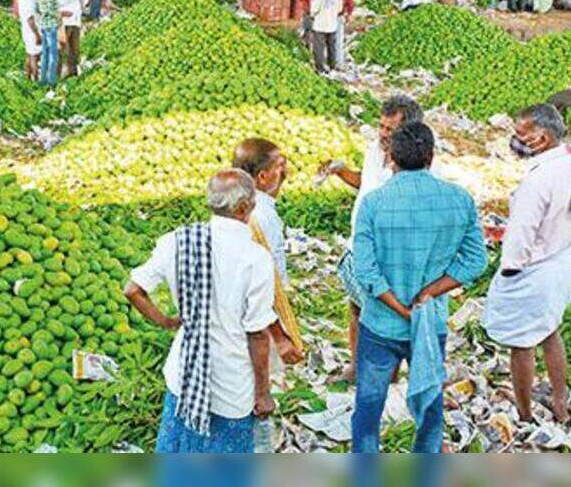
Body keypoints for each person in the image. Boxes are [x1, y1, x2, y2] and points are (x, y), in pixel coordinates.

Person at [351, 122, 487, 453]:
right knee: (430, 403)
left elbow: (364, 270)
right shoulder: (458, 199)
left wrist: (399, 307)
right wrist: (431, 292)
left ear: (391, 157)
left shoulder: (373, 202)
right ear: (431, 155)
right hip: (429, 320)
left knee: (369, 405)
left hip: (381, 324)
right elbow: (475, 261)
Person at [125, 169, 278, 453]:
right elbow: (257, 334)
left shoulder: (177, 240)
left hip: (184, 377)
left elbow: (133, 290)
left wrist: (167, 322)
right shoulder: (256, 259)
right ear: (243, 207)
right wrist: (263, 393)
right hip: (231, 387)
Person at [483, 104, 571, 424]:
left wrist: (510, 269)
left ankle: (524, 414)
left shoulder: (539, 179)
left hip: (533, 268)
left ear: (543, 138)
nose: (516, 140)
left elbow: (522, 232)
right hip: (563, 260)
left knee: (521, 343)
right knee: (549, 330)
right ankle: (560, 401)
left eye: (521, 134)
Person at [319, 96, 424, 383]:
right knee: (356, 307)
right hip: (359, 247)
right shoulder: (375, 150)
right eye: (382, 126)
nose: (383, 134)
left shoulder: (415, 166)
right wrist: (341, 172)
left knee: (384, 320)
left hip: (386, 256)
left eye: (391, 129)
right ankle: (356, 366)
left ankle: (386, 378)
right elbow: (366, 182)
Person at [232, 138, 305, 453]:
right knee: (261, 388)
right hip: (261, 321)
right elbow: (261, 287)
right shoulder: (263, 217)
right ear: (262, 176)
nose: (285, 172)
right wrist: (282, 336)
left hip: (240, 315)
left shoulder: (239, 206)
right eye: (279, 167)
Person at [53, 0, 86, 77]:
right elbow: (55, 1)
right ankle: (56, 75)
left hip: (76, 20)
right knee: (62, 49)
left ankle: (72, 73)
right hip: (64, 21)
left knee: (74, 49)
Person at [309, 0, 343, 73]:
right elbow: (339, 9)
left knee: (319, 47)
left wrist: (313, 15)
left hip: (320, 24)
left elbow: (313, 9)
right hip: (332, 24)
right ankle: (332, 66)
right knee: (331, 46)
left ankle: (320, 68)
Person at [35, 0, 62, 87]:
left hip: (43, 24)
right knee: (53, 54)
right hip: (51, 25)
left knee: (45, 53)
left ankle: (43, 80)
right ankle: (51, 81)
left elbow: (37, 8)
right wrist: (59, 16)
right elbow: (50, 9)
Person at [17, 0, 42, 82]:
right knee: (34, 56)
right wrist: (37, 35)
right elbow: (30, 19)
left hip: (27, 29)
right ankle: (35, 79)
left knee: (30, 54)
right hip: (31, 30)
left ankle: (28, 78)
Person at [327, 0, 353, 67]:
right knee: (328, 39)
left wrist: (349, 13)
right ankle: (330, 62)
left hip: (339, 14)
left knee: (338, 39)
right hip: (327, 15)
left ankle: (338, 63)